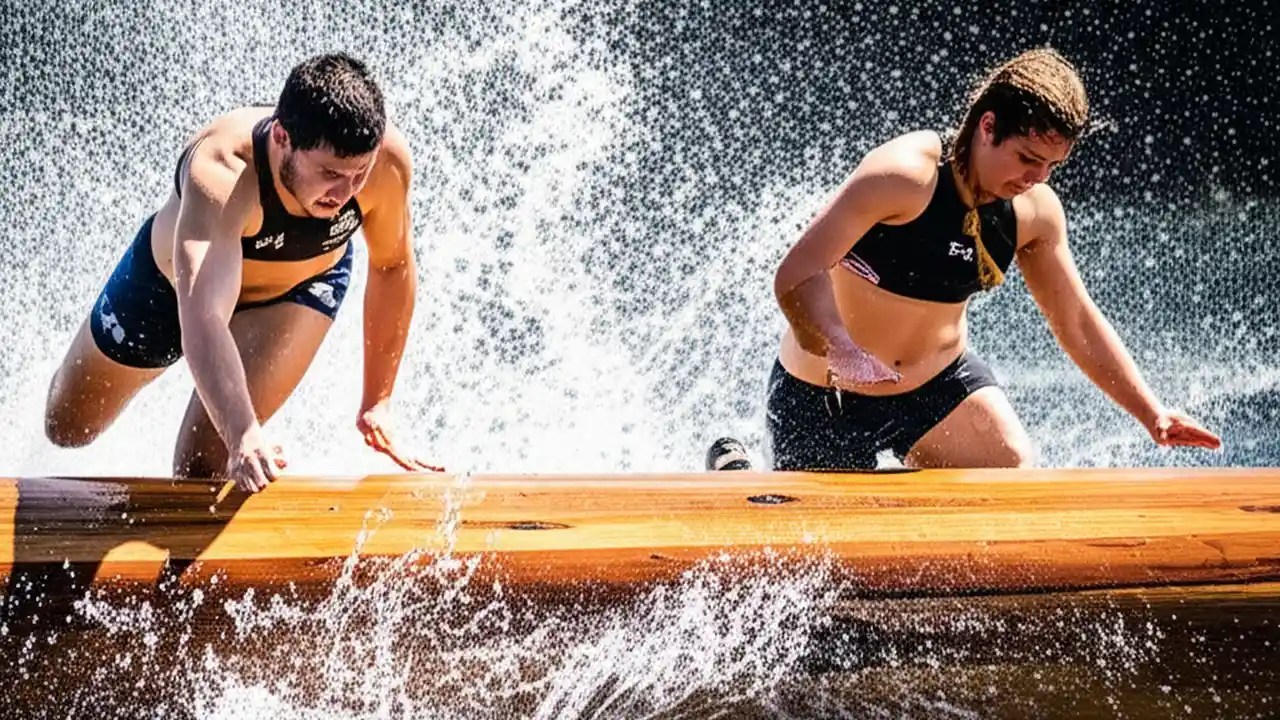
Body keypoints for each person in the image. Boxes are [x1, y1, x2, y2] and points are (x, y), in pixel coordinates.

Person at [764, 48, 1221, 471]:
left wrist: (1151, 412)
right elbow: (798, 272)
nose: (1037, 178)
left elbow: (1075, 320)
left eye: (1051, 166)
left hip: (936, 390)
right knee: (829, 551)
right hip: (826, 393)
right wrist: (842, 350)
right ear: (987, 126)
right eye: (1027, 158)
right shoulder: (903, 177)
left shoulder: (1033, 213)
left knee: (1008, 475)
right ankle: (735, 469)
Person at [45, 53, 442, 491]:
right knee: (66, 428)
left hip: (297, 292)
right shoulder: (222, 169)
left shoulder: (386, 163)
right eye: (330, 173)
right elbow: (205, 316)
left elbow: (392, 265)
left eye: (358, 174)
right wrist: (243, 430)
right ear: (282, 137)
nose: (346, 193)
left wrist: (377, 401)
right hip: (172, 291)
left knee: (205, 464)